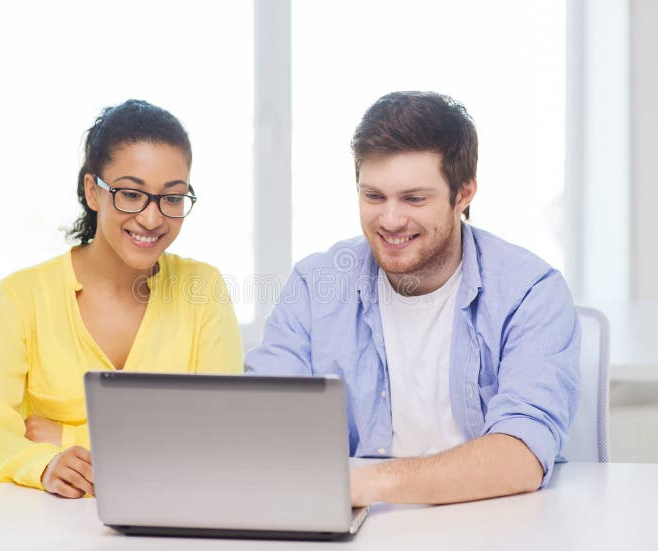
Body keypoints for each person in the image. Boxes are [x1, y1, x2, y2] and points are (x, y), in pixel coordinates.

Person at [245, 91, 580, 506]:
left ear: (464, 194)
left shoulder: (531, 292)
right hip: (356, 524)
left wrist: (364, 486)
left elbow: (521, 457)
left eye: (414, 199)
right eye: (373, 196)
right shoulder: (315, 286)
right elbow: (264, 425)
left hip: (492, 519)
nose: (389, 220)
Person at [0, 100, 243, 498]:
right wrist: (43, 464)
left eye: (172, 198)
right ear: (93, 191)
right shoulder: (20, 297)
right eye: (131, 194)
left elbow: (221, 436)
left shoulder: (204, 290)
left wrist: (67, 436)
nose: (152, 218)